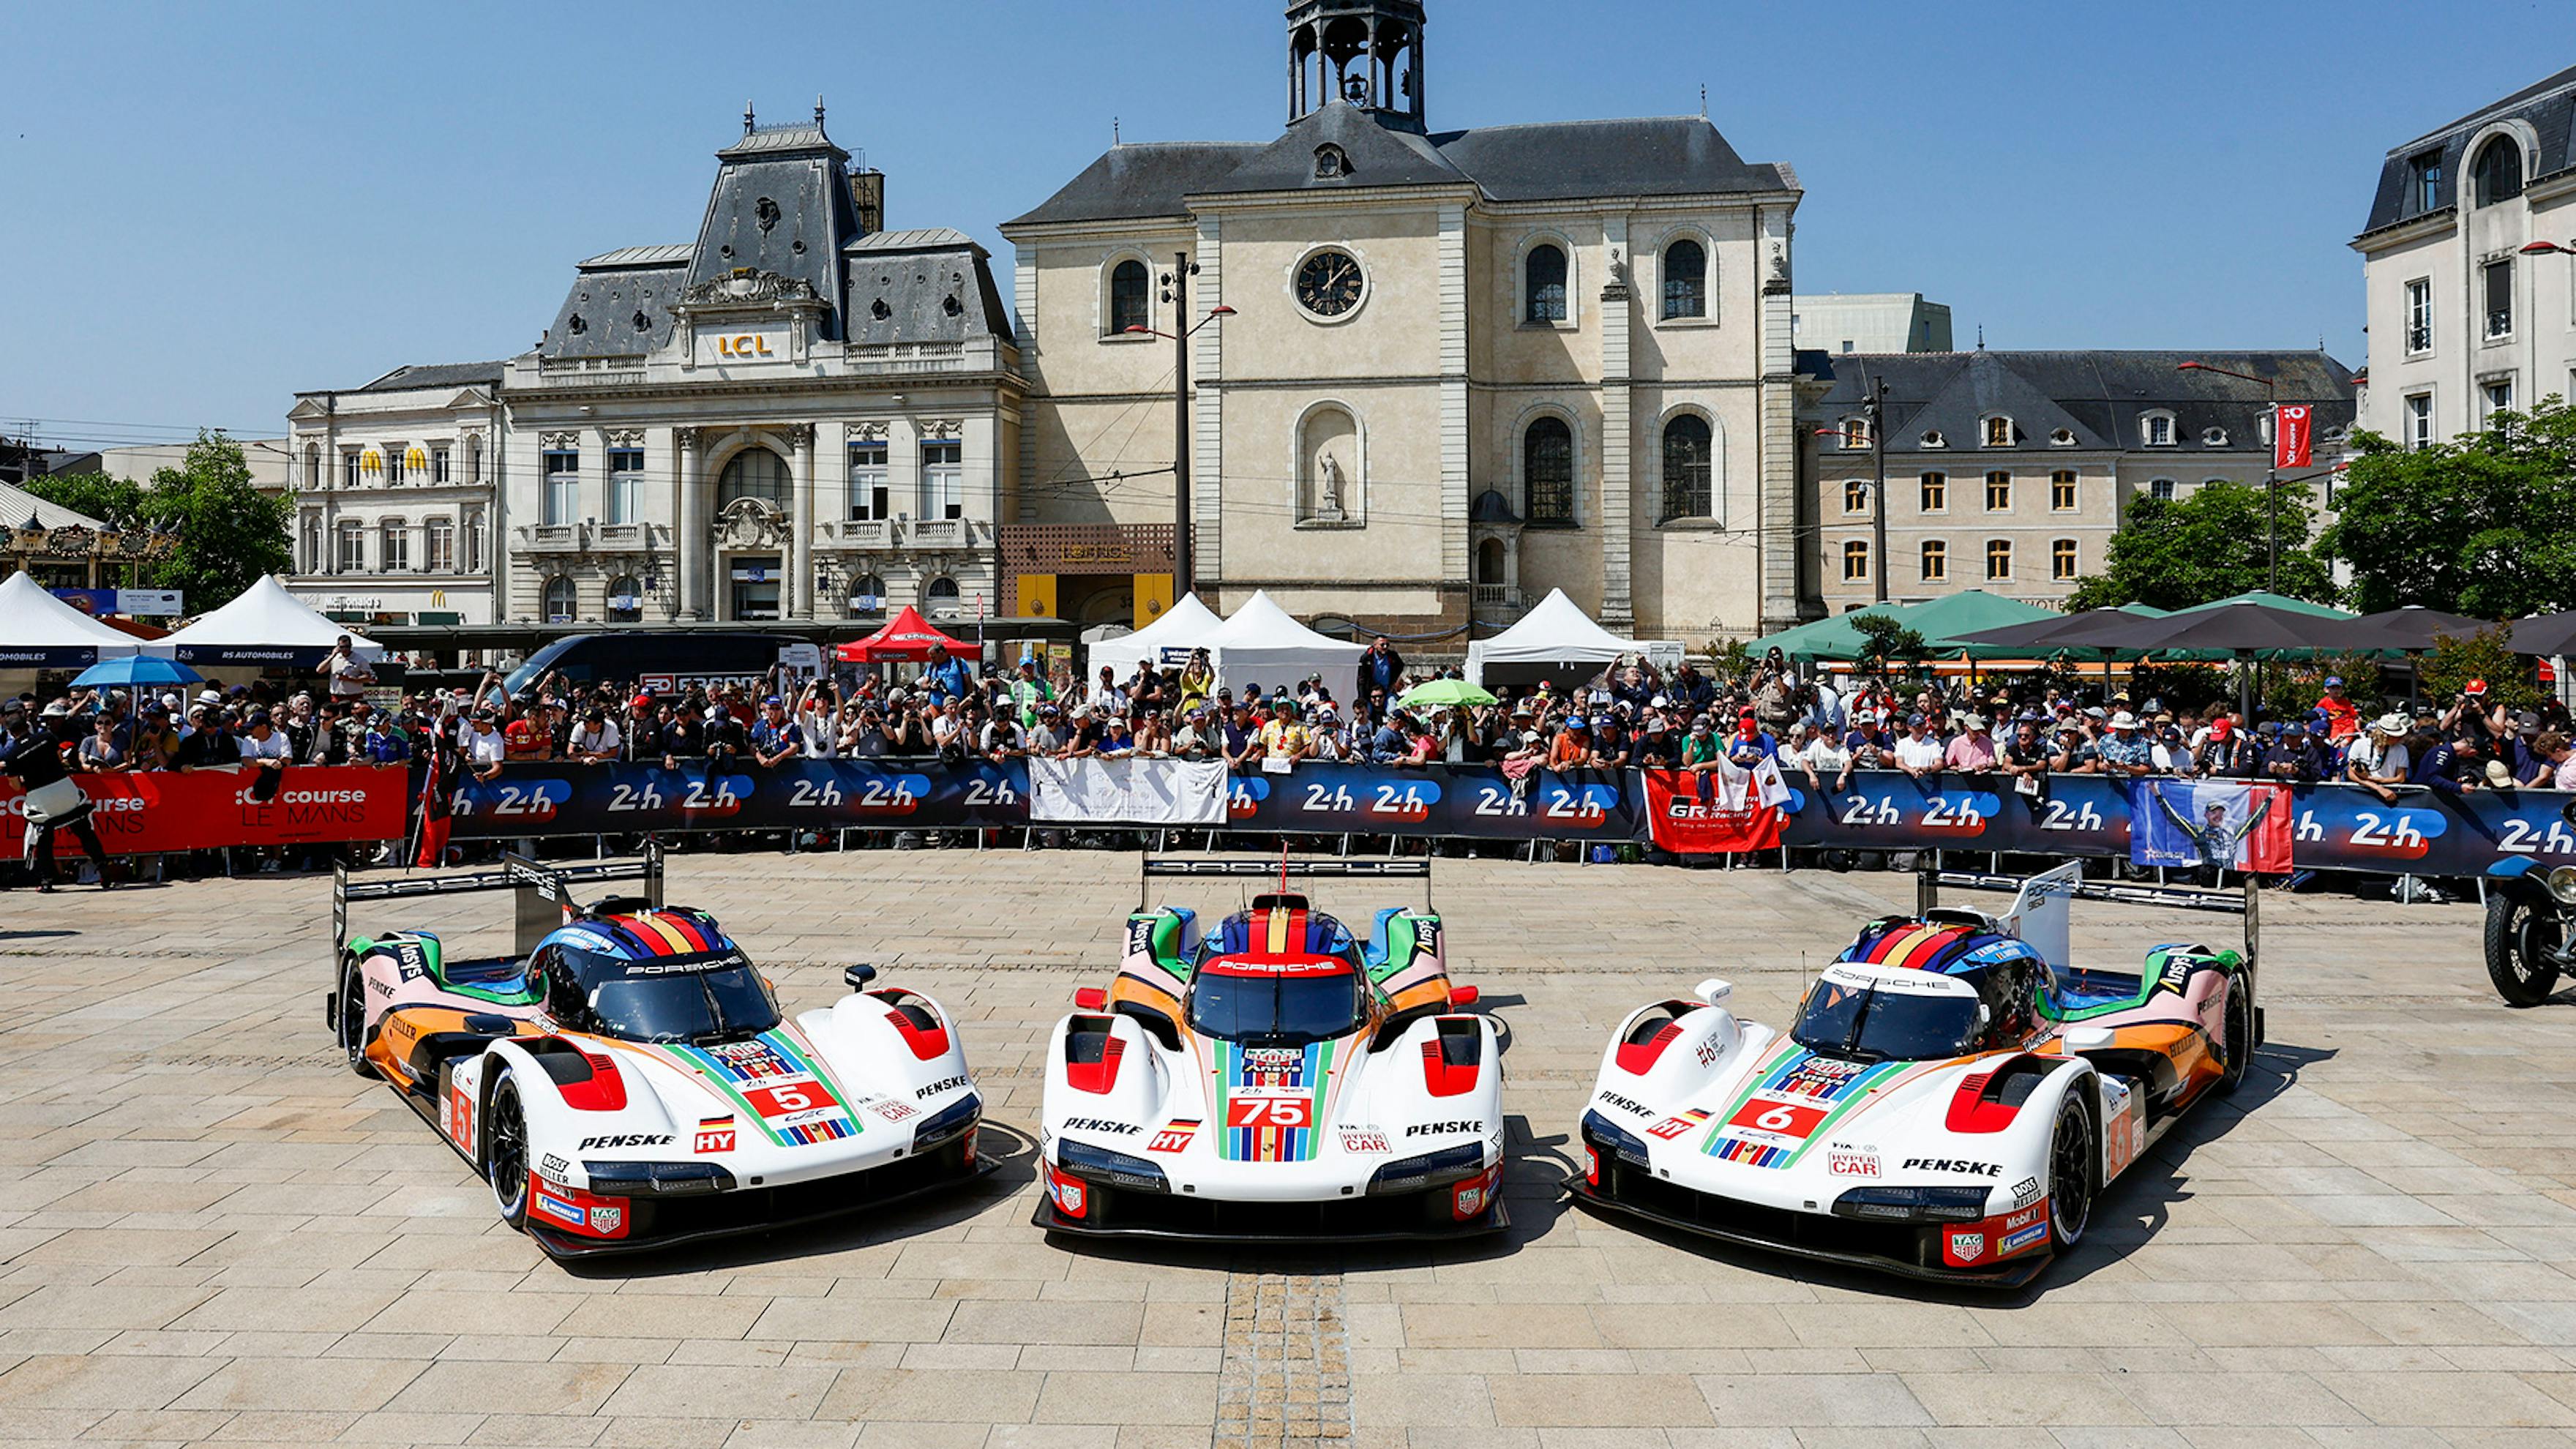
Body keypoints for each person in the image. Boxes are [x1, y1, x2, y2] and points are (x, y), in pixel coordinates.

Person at [4, 715, 113, 891]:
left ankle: (46, 881)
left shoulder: (11, 756)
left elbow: (16, 787)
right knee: (84, 831)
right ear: (27, 725)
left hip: (41, 799)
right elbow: (60, 758)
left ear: (10, 732)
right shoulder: (46, 737)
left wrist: (26, 777)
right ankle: (102, 866)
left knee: (44, 840)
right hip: (65, 791)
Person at [2345, 713, 2412, 804]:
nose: (2399, 738)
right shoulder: (2359, 744)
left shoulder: (2401, 749)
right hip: (2362, 793)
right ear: (2385, 736)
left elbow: (2401, 778)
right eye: (2396, 736)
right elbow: (2351, 773)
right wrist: (2377, 787)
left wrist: (2373, 779)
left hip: (2390, 793)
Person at [323, 635, 376, 707]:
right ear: (338, 647)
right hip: (337, 696)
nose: (345, 649)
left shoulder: (360, 659)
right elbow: (319, 670)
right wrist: (332, 655)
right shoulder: (334, 658)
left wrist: (350, 679)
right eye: (342, 647)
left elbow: (368, 677)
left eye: (347, 647)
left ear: (351, 646)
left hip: (354, 695)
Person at [1943, 713, 1999, 778]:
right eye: (1974, 730)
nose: (1977, 732)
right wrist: (1955, 768)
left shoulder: (1988, 743)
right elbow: (1949, 764)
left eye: (1979, 730)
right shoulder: (1956, 743)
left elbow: (1993, 763)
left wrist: (1985, 766)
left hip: (1982, 780)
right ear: (1966, 727)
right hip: (1962, 780)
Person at [1892, 713, 1945, 779]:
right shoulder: (1902, 743)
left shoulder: (1934, 744)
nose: (1921, 729)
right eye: (1917, 726)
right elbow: (1899, 763)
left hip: (1927, 780)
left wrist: (1925, 769)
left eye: (1922, 725)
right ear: (1909, 728)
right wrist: (1911, 770)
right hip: (1906, 782)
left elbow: (1939, 764)